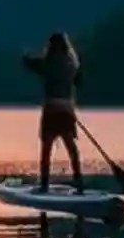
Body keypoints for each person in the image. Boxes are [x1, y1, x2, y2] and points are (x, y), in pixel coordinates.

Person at [22, 32, 83, 193]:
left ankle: (44, 185)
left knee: (46, 149)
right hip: (67, 111)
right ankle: (79, 181)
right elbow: (78, 80)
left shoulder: (49, 63)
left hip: (51, 110)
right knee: (72, 148)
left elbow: (32, 65)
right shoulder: (72, 64)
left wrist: (25, 56)